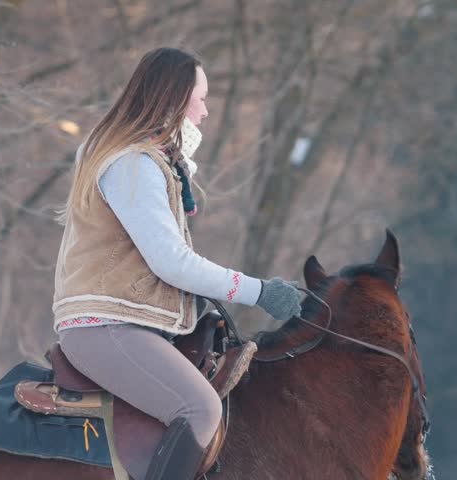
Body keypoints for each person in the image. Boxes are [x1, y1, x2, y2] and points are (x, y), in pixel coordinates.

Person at [52, 47, 302, 480]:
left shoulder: (139, 161)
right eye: (201, 98)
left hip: (123, 325)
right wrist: (259, 291)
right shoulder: (133, 164)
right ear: (174, 99)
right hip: (106, 328)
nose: (205, 112)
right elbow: (172, 263)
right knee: (201, 410)